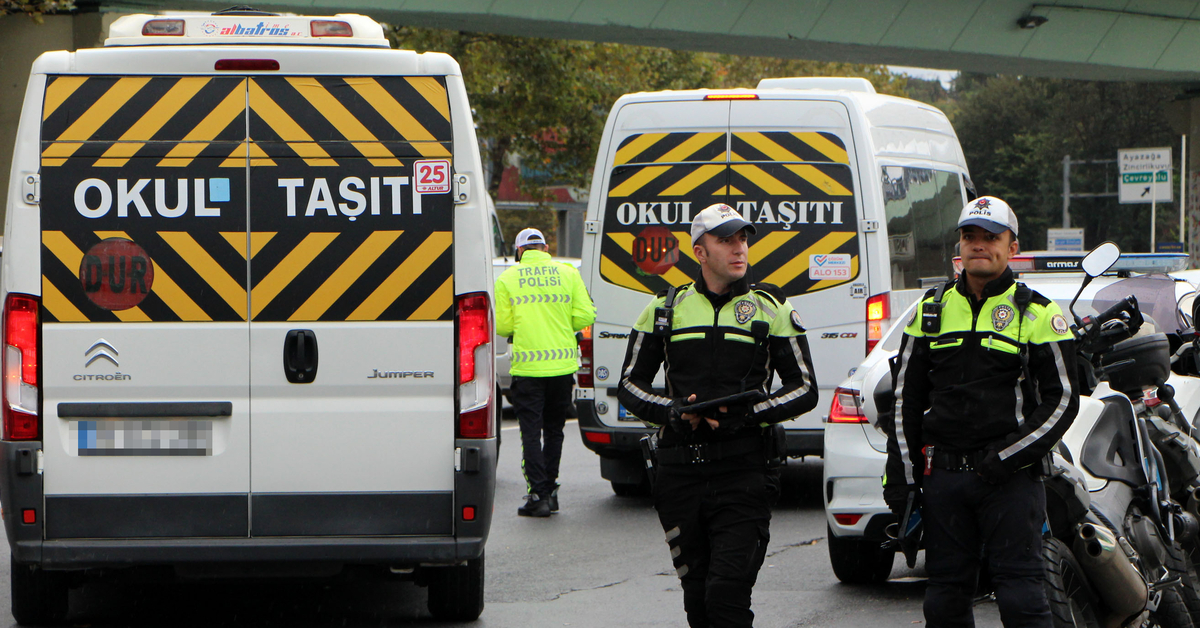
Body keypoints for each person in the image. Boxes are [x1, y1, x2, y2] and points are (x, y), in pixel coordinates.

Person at [618, 203, 818, 627]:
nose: (738, 248)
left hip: (745, 472)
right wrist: (673, 412)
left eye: (742, 238)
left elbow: (804, 388)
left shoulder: (771, 309)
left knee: (727, 598)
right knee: (699, 603)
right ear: (700, 252)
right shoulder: (663, 311)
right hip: (680, 475)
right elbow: (630, 387)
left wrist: (744, 417)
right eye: (725, 239)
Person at [883, 196, 1079, 627]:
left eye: (991, 237)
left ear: (1012, 248)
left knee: (1021, 599)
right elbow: (905, 402)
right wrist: (902, 475)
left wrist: (1006, 457)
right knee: (944, 603)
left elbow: (1062, 400)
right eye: (970, 236)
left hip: (1009, 480)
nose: (979, 245)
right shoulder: (929, 310)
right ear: (960, 246)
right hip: (944, 479)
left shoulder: (1038, 311)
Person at [495, 227, 595, 517]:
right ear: (546, 248)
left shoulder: (507, 279)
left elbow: (502, 327)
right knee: (554, 431)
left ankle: (537, 494)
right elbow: (586, 315)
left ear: (520, 251)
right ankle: (550, 493)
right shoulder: (567, 273)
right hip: (563, 368)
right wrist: (564, 324)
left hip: (528, 370)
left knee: (530, 433)